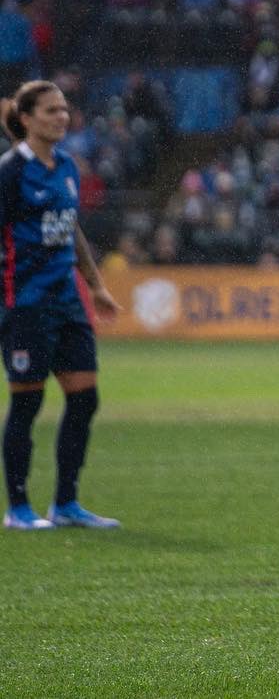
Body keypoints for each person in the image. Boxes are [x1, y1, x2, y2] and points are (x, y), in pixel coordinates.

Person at [2, 80, 122, 530]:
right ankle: (18, 508)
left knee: (84, 399)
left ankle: (66, 504)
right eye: (51, 110)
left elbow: (70, 229)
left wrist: (94, 285)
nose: (62, 117)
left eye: (64, 110)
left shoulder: (68, 167)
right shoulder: (10, 173)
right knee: (28, 404)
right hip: (25, 303)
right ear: (27, 118)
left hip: (67, 302)